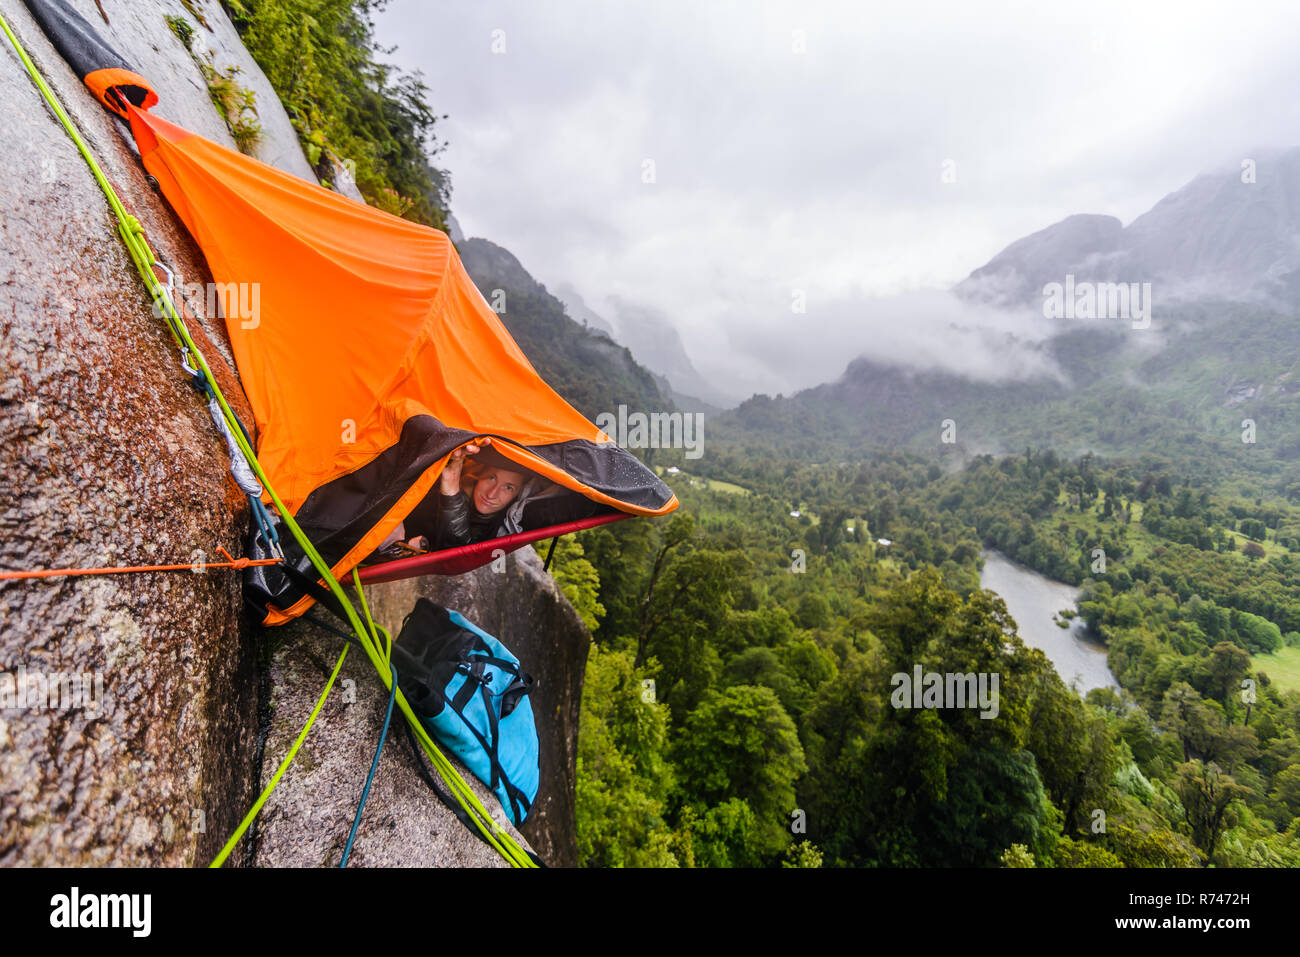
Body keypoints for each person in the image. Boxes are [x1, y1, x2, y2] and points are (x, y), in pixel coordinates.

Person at [371, 438, 549, 558]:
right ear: (479, 474)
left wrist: (451, 488)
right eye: (491, 477)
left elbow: (458, 552)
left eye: (508, 487)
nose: (492, 494)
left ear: (517, 495)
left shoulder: (499, 528)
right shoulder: (437, 481)